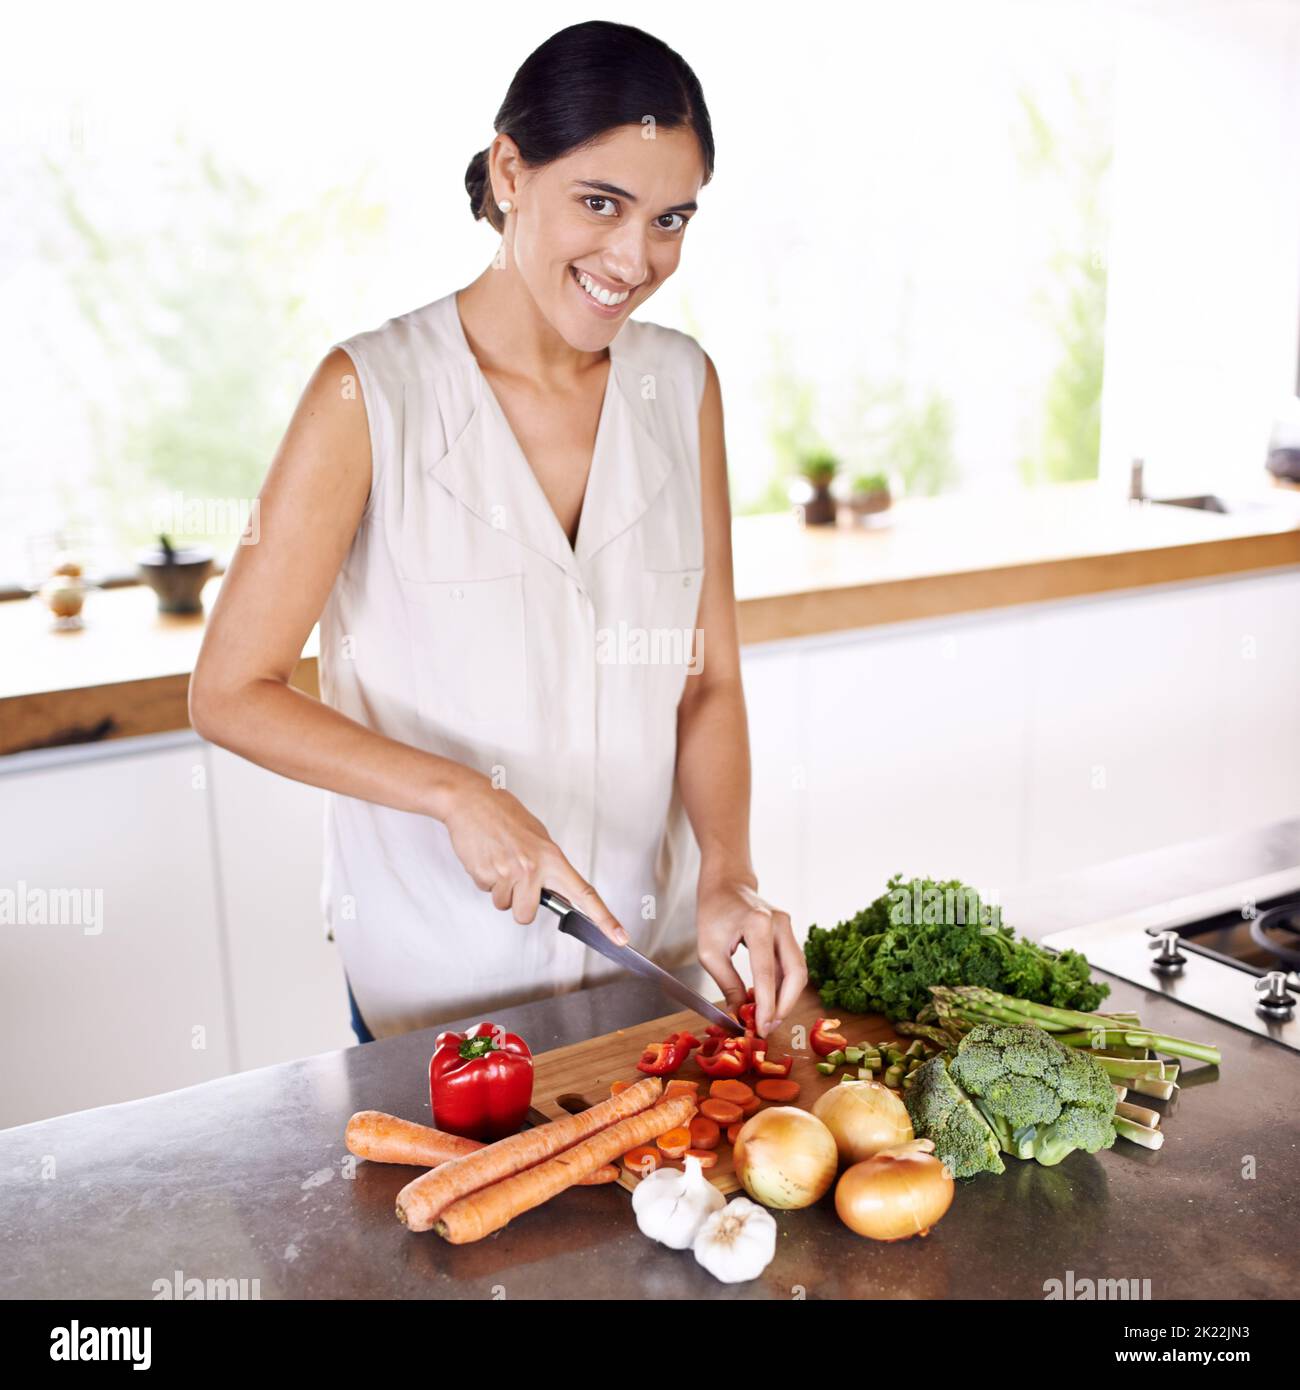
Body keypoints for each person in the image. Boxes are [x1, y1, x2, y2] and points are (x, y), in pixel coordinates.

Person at [189, 19, 806, 1047]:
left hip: (644, 974)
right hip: (437, 987)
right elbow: (228, 691)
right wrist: (455, 793)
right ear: (511, 171)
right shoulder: (370, 392)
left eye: (670, 219)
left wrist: (730, 875)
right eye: (599, 204)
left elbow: (705, 679)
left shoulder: (681, 385)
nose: (634, 257)